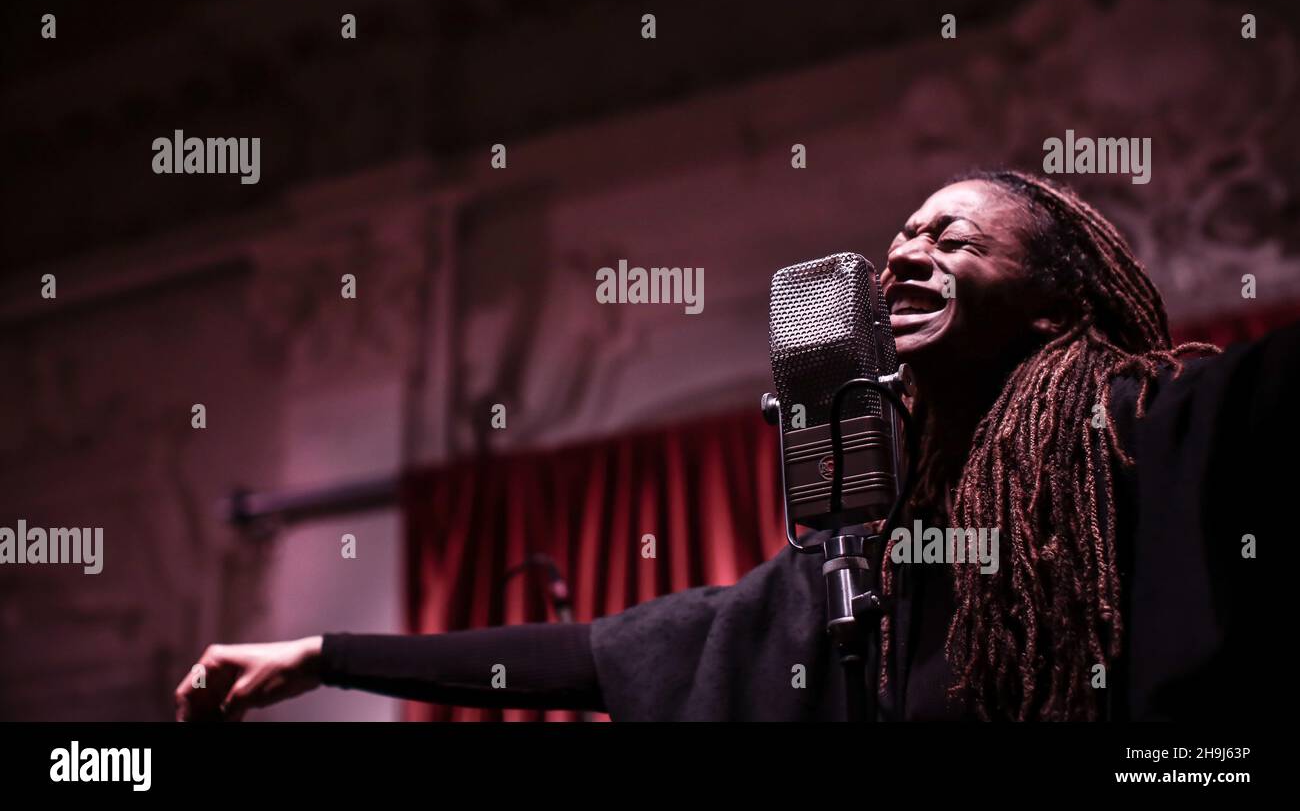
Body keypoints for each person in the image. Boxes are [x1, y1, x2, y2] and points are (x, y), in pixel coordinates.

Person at [175, 170, 1281, 722]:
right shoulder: (869, 560)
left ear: (1052, 304)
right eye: (898, 240)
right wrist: (324, 656)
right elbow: (609, 653)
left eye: (954, 239)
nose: (902, 257)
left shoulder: (1155, 424)